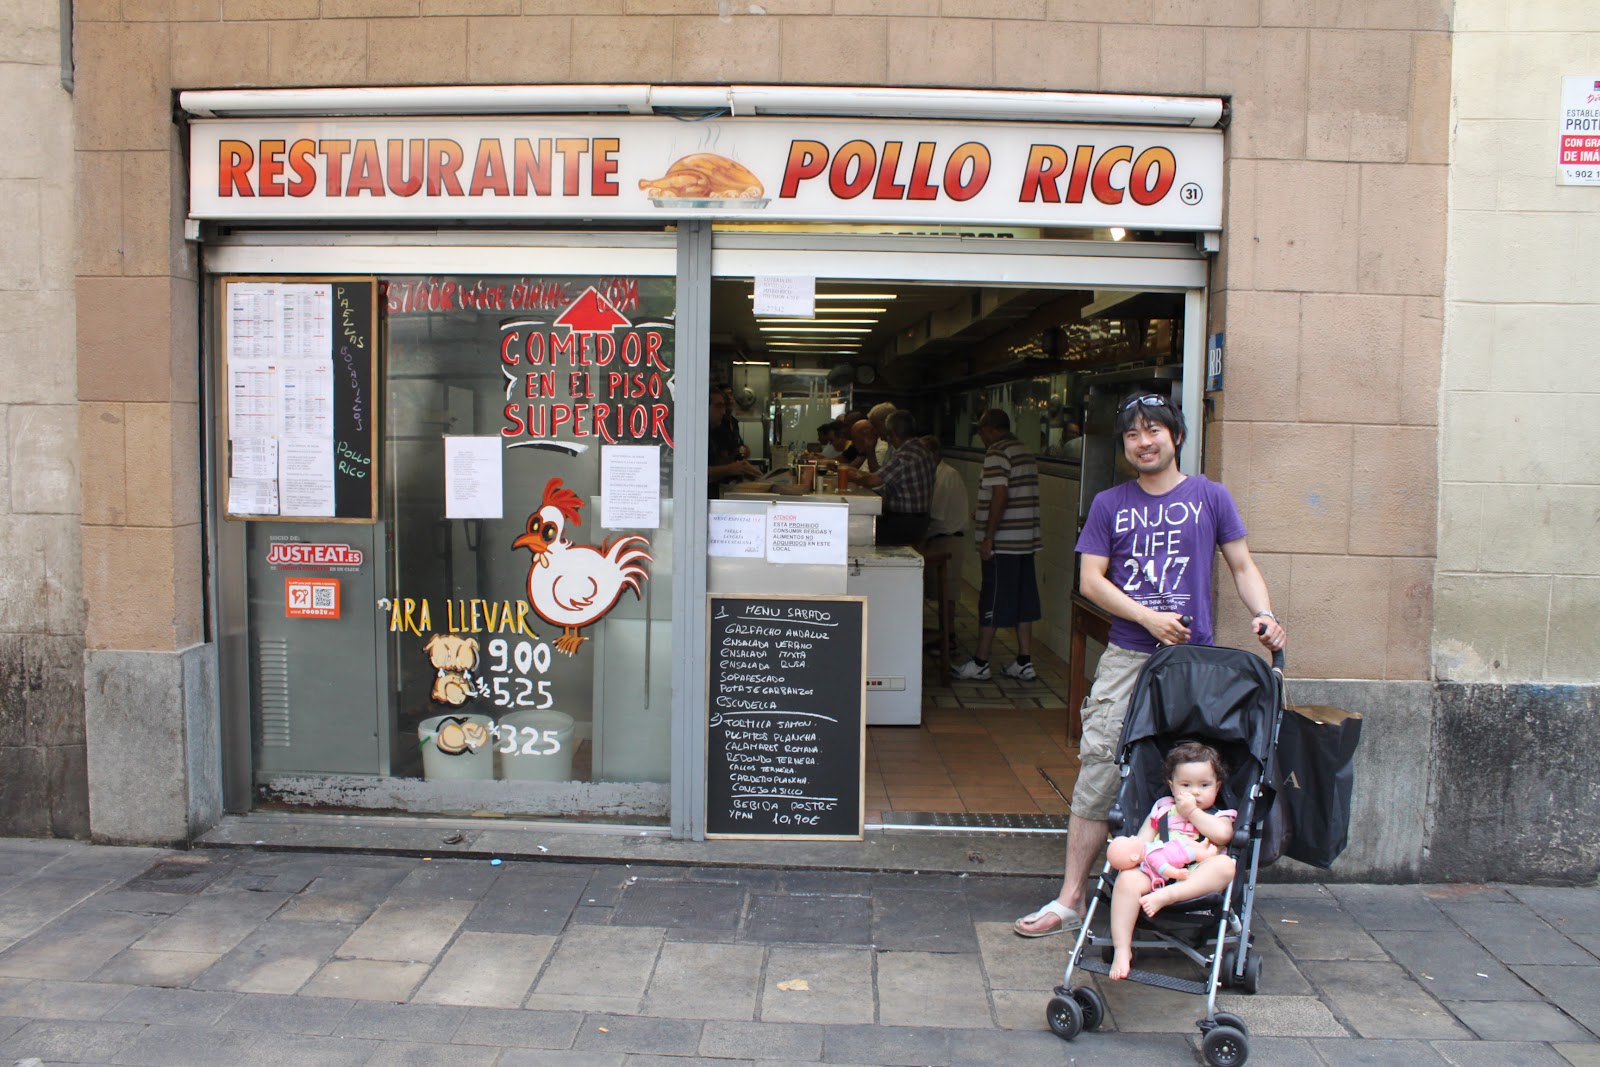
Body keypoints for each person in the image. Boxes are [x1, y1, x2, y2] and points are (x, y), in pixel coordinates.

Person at [1013, 391, 1286, 938]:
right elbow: (1092, 581)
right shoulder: (1111, 504)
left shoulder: (1210, 496)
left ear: (1176, 436)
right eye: (1132, 434)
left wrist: (1266, 614)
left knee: (1194, 775)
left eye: (1153, 430)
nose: (1143, 442)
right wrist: (1149, 617)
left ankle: (1181, 886)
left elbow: (1242, 564)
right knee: (1099, 767)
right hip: (1127, 658)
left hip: (1195, 665)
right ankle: (1070, 898)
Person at [1103, 741, 1237, 980]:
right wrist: (1127, 852)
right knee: (1126, 879)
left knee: (1226, 866)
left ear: (1217, 787)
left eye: (1204, 785)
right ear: (1171, 786)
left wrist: (1192, 813)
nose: (1195, 792)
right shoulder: (1162, 808)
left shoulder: (1220, 815)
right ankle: (1122, 950)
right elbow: (1143, 843)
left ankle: (1170, 895)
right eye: (1186, 785)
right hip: (1159, 872)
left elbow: (1222, 836)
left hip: (1197, 875)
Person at [951, 409, 1041, 682]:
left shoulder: (997, 453)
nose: (980, 437)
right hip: (1026, 539)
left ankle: (980, 662)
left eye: (980, 431)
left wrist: (989, 536)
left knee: (990, 599)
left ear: (991, 429)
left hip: (1004, 543)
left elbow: (1000, 493)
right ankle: (1024, 662)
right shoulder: (1024, 450)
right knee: (1025, 600)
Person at [851, 410, 935, 544]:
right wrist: (870, 450)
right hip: (920, 522)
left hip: (903, 524)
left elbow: (873, 481)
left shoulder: (904, 456)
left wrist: (849, 475)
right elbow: (883, 476)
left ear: (893, 434)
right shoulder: (922, 449)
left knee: (858, 533)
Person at [921, 435, 968, 650]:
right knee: (939, 591)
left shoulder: (945, 475)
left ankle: (948, 637)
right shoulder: (935, 473)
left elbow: (936, 514)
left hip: (948, 538)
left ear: (935, 454)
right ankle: (944, 635)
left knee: (947, 593)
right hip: (939, 537)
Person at [707, 385, 757, 495]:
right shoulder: (697, 436)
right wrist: (730, 468)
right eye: (719, 406)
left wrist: (760, 477)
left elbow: (717, 464)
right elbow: (700, 472)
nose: (723, 412)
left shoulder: (731, 424)